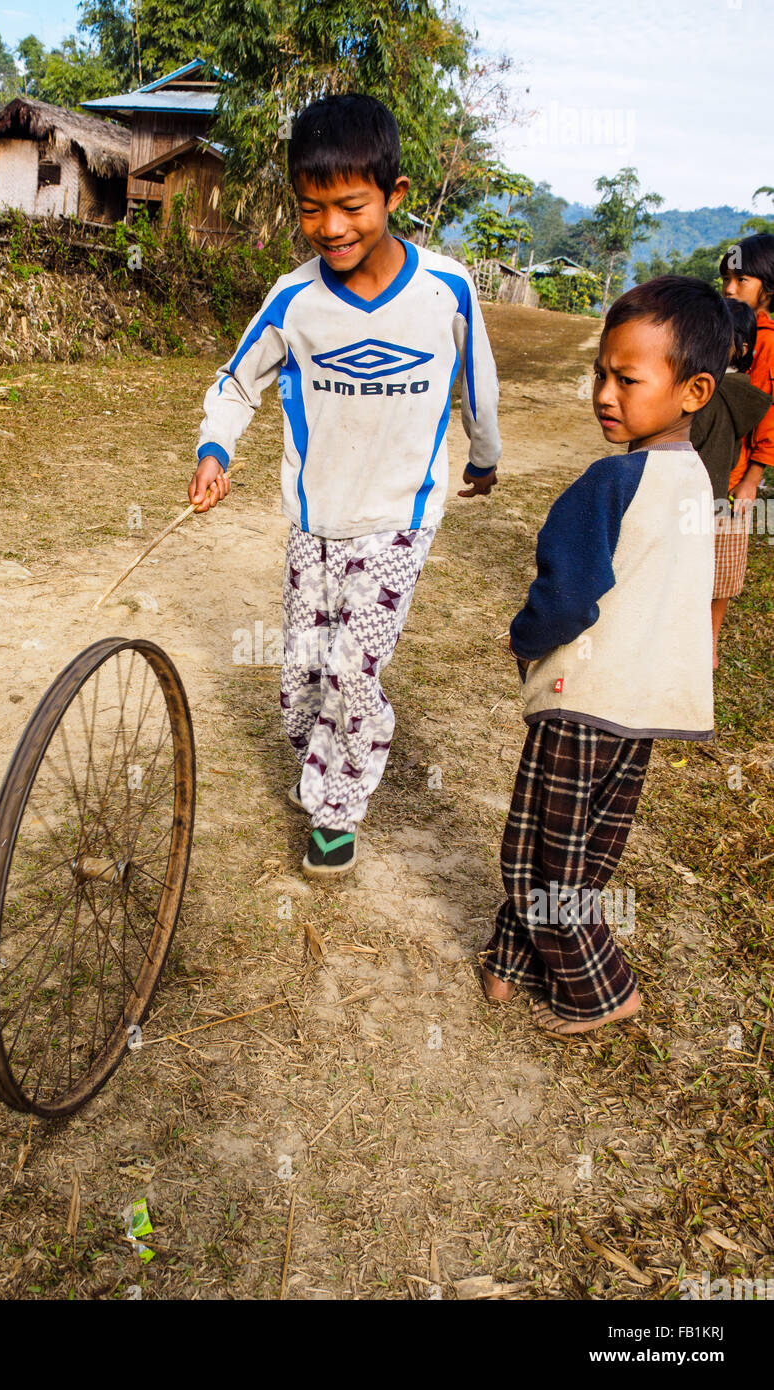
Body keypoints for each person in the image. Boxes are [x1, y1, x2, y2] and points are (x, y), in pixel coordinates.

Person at [187, 94, 502, 879]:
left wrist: (484, 455)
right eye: (311, 209)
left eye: (351, 206)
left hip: (399, 516)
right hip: (313, 518)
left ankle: (338, 809)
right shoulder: (295, 299)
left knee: (353, 667)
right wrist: (214, 448)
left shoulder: (446, 291)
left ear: (393, 197)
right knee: (302, 678)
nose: (331, 227)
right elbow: (236, 383)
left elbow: (478, 386)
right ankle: (317, 760)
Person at [482, 276, 729, 1035]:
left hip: (585, 696)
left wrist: (523, 642)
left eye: (626, 379)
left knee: (540, 852)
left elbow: (565, 595)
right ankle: (513, 960)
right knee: (581, 848)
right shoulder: (695, 478)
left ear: (691, 390)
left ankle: (599, 987)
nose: (604, 393)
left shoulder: (606, 482)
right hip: (644, 706)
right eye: (600, 373)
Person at [689, 299, 771, 666]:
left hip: (695, 499)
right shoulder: (750, 396)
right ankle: (709, 647)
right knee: (720, 579)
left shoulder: (705, 395)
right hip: (729, 497)